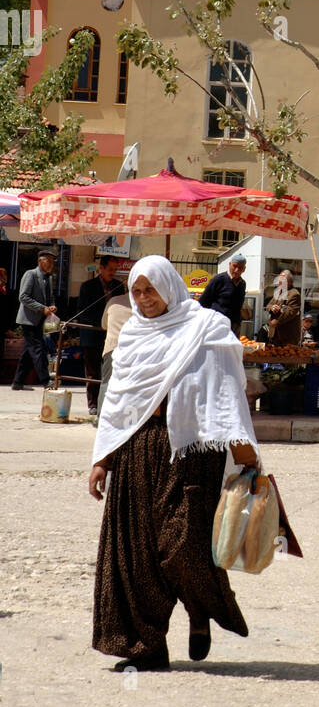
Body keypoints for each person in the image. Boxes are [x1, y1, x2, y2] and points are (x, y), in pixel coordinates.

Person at [89, 256, 260, 672]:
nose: (146, 299)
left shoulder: (208, 329)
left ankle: (200, 610)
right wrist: (102, 460)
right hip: (138, 451)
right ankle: (144, 645)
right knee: (137, 553)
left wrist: (247, 462)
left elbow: (226, 397)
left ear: (170, 286)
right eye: (139, 292)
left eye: (152, 290)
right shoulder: (132, 335)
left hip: (192, 453)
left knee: (182, 546)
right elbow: (117, 403)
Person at [76, 256, 126, 415]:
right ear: (101, 268)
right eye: (110, 269)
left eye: (115, 270)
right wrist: (100, 322)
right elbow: (82, 311)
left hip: (111, 336)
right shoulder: (88, 286)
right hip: (92, 335)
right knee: (92, 371)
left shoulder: (118, 286)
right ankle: (93, 404)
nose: (113, 273)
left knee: (110, 372)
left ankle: (107, 404)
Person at [12, 248, 58, 390]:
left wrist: (51, 307)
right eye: (48, 261)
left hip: (40, 320)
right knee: (38, 349)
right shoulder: (30, 274)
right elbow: (23, 297)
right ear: (39, 261)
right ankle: (45, 380)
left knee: (29, 352)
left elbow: (49, 298)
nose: (51, 264)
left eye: (52, 262)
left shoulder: (49, 278)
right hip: (28, 320)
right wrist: (42, 308)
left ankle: (18, 382)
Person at [97, 292, 133, 417]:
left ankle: (100, 415)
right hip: (132, 349)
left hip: (112, 347)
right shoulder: (141, 304)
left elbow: (104, 324)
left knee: (106, 381)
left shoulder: (113, 301)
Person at [198, 254, 247, 335]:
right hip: (218, 323)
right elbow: (203, 301)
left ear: (244, 269)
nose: (237, 270)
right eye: (234, 266)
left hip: (234, 325)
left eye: (240, 268)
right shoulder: (219, 280)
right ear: (229, 264)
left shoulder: (242, 284)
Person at [267, 268, 301, 345]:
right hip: (275, 334)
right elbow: (268, 305)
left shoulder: (294, 294)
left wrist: (276, 321)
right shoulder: (279, 292)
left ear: (288, 281)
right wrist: (272, 308)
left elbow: (291, 312)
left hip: (287, 335)